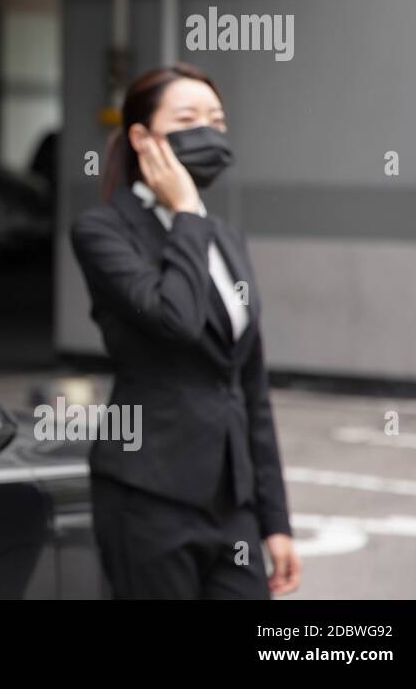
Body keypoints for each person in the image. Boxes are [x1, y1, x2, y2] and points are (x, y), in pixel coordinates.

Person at [69, 63, 300, 599]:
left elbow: (250, 387)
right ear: (142, 137)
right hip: (149, 494)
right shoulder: (103, 231)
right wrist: (186, 213)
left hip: (232, 504)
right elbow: (176, 320)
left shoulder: (228, 238)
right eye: (188, 118)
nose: (208, 131)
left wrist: (276, 520)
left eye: (217, 120)